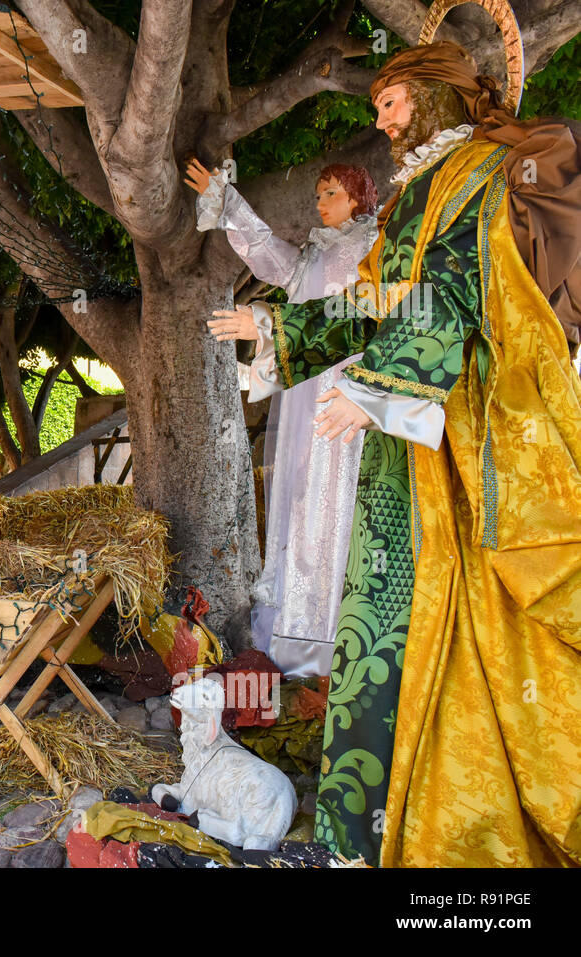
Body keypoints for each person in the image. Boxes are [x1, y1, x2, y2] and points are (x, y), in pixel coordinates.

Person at [207, 33, 581, 867]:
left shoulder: (481, 173)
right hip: (403, 446)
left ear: (437, 95)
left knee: (464, 618)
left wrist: (382, 386)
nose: (380, 117)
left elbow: (451, 291)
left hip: (459, 437)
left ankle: (464, 816)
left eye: (390, 101)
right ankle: (371, 819)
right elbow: (374, 296)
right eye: (377, 105)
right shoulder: (418, 190)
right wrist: (279, 326)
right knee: (379, 619)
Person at [186, 157, 378, 677]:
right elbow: (270, 254)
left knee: (334, 498)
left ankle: (337, 638)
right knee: (296, 496)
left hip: (347, 392)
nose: (320, 203)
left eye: (332, 193)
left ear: (358, 197)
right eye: (318, 194)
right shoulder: (316, 254)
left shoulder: (373, 250)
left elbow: (357, 316)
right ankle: (295, 634)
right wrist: (228, 203)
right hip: (303, 388)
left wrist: (270, 322)